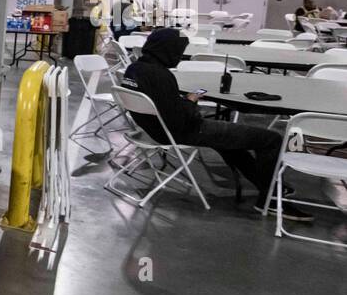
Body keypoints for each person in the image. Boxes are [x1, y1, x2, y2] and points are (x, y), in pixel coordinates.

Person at [121, 28, 310, 221]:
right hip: (183, 131)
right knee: (271, 139)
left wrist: (182, 102)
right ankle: (270, 199)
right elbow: (178, 121)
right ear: (169, 50)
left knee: (231, 143)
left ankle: (267, 186)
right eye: (178, 51)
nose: (179, 56)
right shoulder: (161, 76)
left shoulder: (134, 69)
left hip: (152, 130)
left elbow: (163, 107)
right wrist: (190, 101)